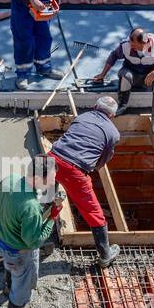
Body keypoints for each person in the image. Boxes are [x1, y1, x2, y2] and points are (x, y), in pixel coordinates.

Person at [0, 156, 65, 308]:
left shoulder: (10, 180)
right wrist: (52, 218)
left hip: (2, 240)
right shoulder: (31, 207)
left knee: (10, 269)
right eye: (51, 179)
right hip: (20, 252)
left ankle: (9, 288)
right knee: (23, 285)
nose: (53, 183)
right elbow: (34, 242)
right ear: (38, 178)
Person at [49, 96, 121, 268]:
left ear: (95, 106)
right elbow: (102, 162)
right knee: (95, 214)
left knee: (41, 195)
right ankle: (105, 256)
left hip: (51, 158)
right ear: (112, 116)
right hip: (75, 171)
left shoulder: (82, 117)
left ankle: (39, 222)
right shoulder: (113, 133)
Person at [94, 27, 154, 135]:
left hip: (148, 79)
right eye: (130, 41)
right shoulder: (125, 46)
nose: (130, 44)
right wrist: (103, 74)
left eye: (133, 43)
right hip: (131, 75)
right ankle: (122, 106)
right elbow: (113, 56)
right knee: (125, 75)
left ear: (144, 43)